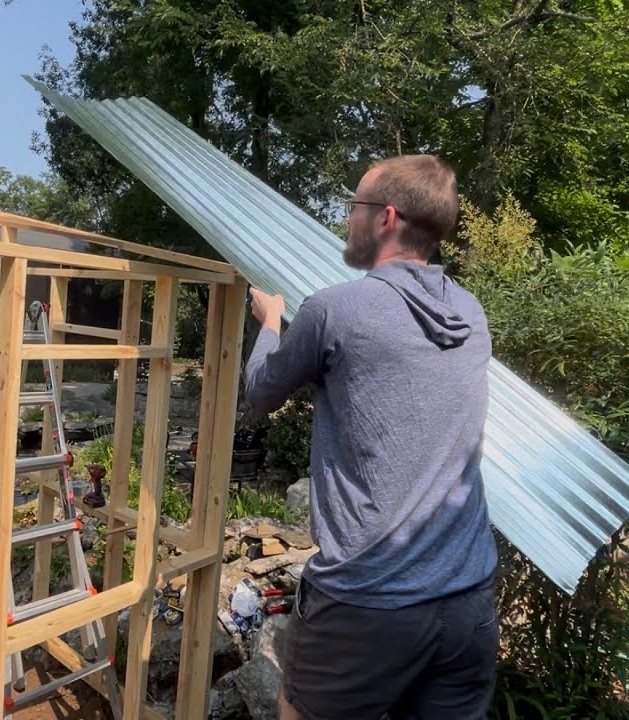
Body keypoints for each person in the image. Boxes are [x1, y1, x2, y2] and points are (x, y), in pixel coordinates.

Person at [242, 154, 499, 720]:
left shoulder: (335, 309)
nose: (346, 218)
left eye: (353, 206)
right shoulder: (469, 312)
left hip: (367, 600)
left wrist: (270, 321)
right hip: (468, 598)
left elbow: (261, 392)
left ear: (386, 217)